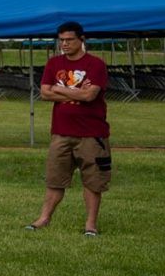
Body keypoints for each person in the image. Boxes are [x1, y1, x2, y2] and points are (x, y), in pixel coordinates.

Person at [30, 20, 110, 236]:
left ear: (81, 40)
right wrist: (76, 92)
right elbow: (45, 93)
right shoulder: (54, 64)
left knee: (93, 181)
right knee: (55, 178)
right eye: (61, 40)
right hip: (61, 132)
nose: (64, 44)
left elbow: (90, 95)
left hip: (92, 134)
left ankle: (90, 225)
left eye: (69, 40)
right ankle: (43, 218)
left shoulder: (95, 64)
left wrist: (60, 89)